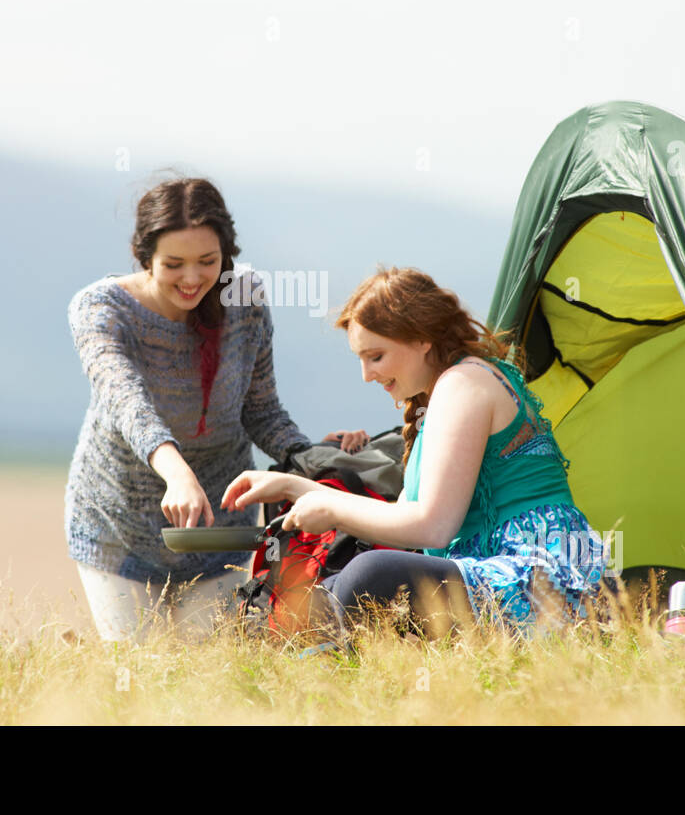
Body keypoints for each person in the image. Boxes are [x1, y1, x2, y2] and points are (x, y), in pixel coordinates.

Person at [221, 266, 607, 641]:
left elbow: (431, 527)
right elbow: (402, 520)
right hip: (495, 569)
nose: (366, 375)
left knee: (369, 576)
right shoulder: (448, 389)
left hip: (537, 574)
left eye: (376, 356)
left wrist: (332, 509)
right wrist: (293, 486)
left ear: (422, 339)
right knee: (333, 588)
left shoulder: (464, 383)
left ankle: (324, 647)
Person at [65, 172, 367, 642]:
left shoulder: (243, 298)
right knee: (137, 678)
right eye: (174, 264)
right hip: (117, 527)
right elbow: (127, 403)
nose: (192, 278)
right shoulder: (100, 309)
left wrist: (313, 457)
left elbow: (261, 409)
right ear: (144, 258)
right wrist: (177, 473)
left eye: (207, 261)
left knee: (211, 677)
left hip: (220, 530)